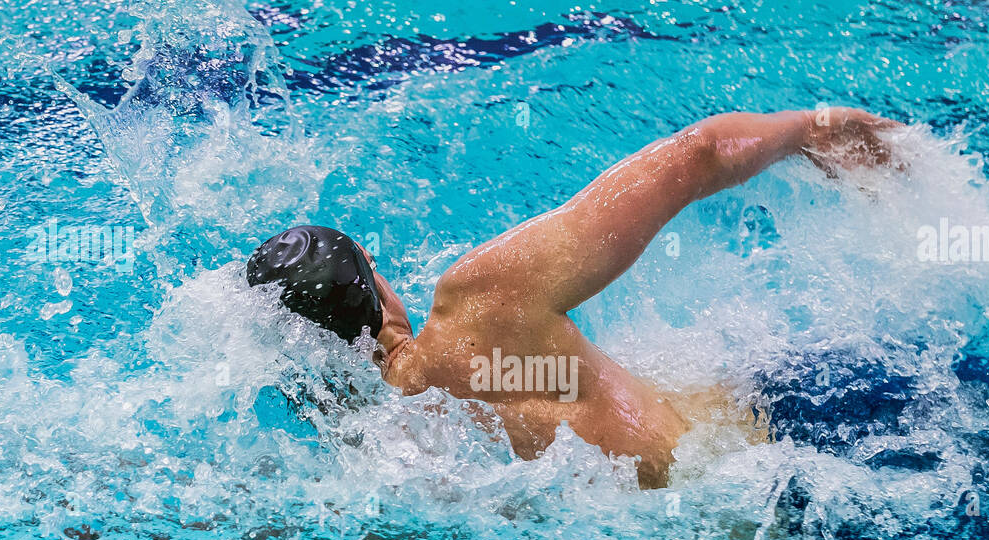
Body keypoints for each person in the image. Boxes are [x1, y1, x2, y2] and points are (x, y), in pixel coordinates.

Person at [247, 107, 902, 488]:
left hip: (709, 538)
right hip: (779, 465)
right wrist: (813, 130)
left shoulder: (363, 447)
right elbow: (696, 157)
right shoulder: (479, 301)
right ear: (377, 280)